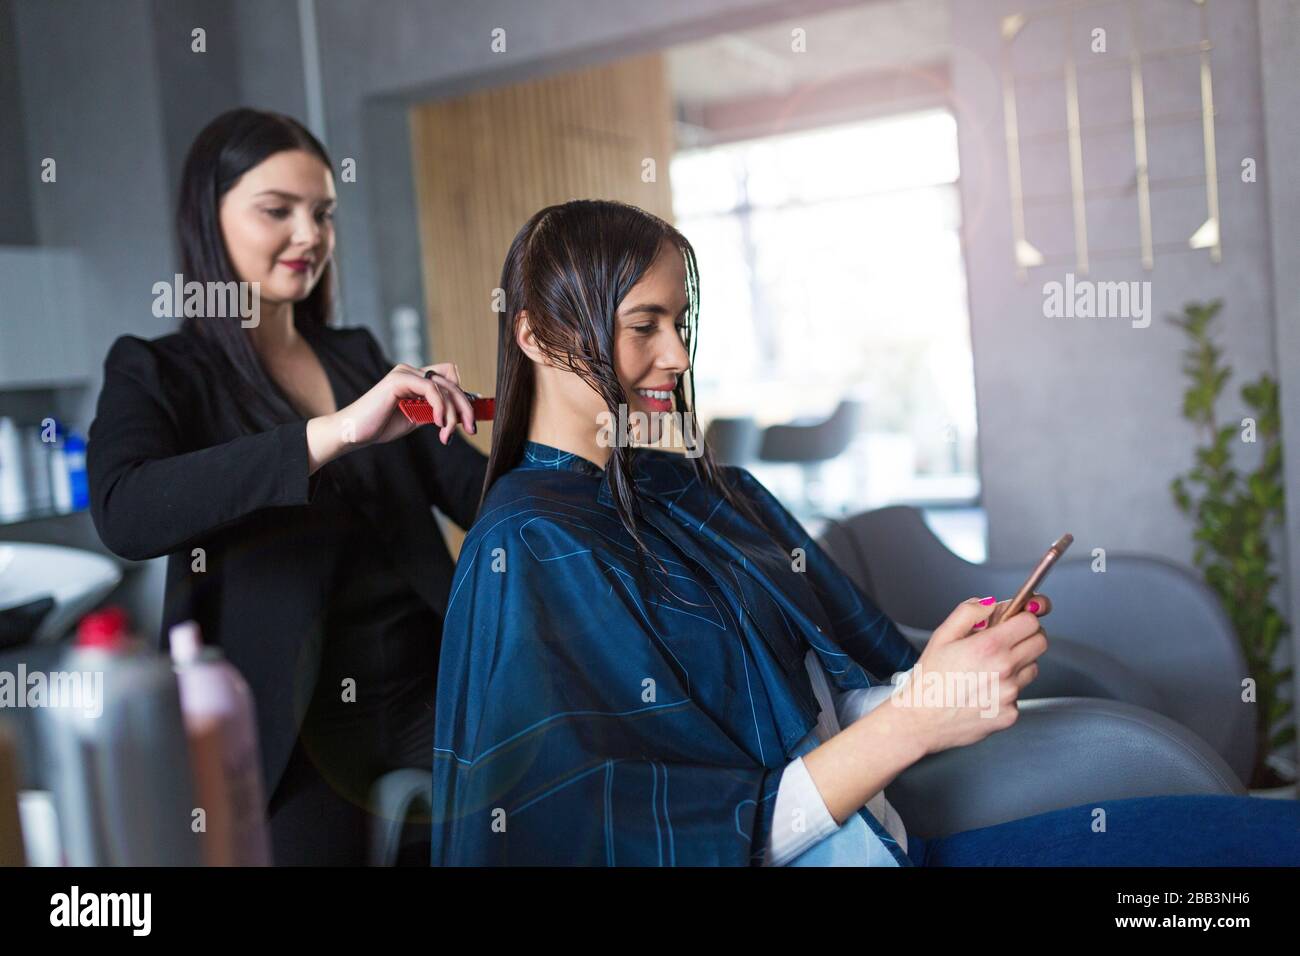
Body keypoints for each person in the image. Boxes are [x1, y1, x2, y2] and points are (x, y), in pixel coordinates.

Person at [428, 199, 1300, 866]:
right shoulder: (531, 549)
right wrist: (918, 719)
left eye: (679, 322)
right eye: (642, 326)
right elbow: (689, 836)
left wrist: (936, 677)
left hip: (889, 833)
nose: (679, 357)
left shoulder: (707, 490)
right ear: (536, 335)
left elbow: (821, 701)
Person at [87, 108, 486, 865]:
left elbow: (473, 490)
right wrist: (336, 433)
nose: (310, 235)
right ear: (210, 216)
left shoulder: (358, 352)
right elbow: (125, 511)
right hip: (289, 732)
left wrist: (569, 438)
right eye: (278, 211)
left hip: (434, 685)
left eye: (324, 214)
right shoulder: (156, 369)